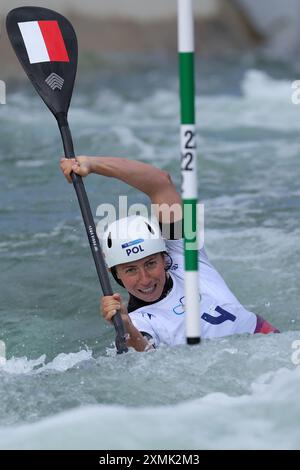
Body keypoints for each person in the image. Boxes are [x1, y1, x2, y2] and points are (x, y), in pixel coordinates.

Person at [60, 156, 279, 352]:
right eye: (131, 270)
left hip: (270, 344)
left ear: (164, 256)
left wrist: (92, 164)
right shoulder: (138, 322)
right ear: (114, 272)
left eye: (150, 263)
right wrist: (126, 328)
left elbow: (159, 182)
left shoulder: (184, 253)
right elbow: (144, 355)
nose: (145, 279)